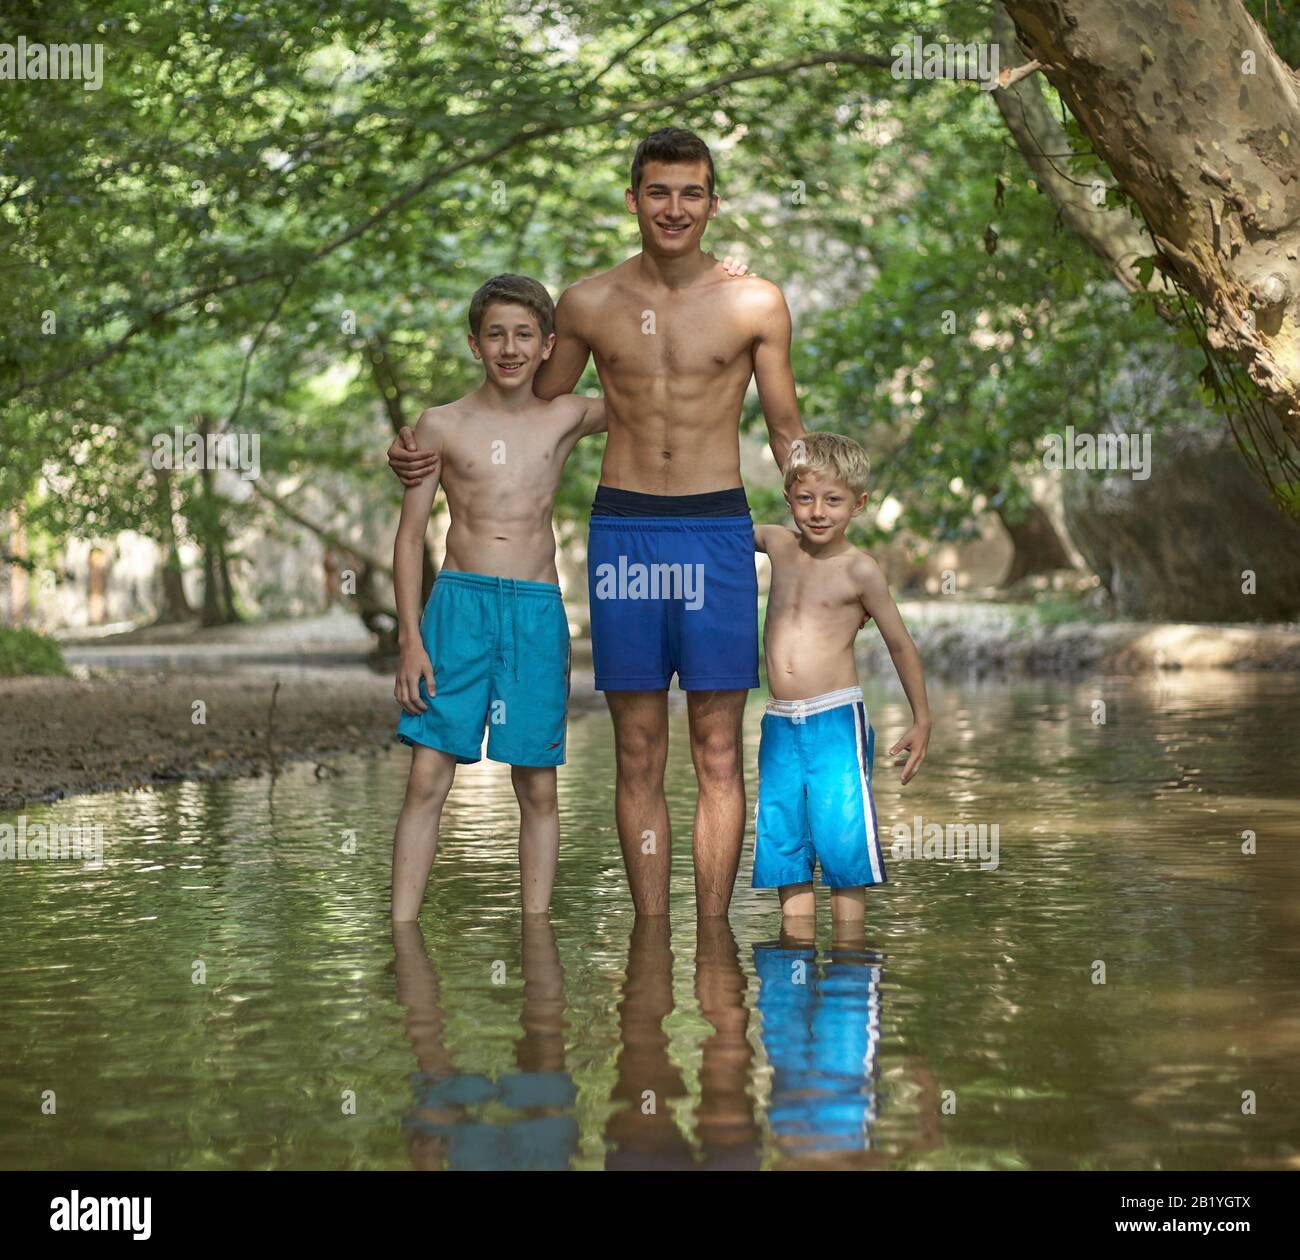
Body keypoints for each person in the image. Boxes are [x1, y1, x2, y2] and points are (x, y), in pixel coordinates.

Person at [390, 127, 804, 918]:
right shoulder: (585, 304)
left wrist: (822, 527)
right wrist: (417, 446)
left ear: (714, 203)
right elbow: (516, 399)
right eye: (658, 191)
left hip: (717, 527)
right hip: (625, 532)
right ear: (633, 200)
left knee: (719, 752)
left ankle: (711, 947)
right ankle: (652, 942)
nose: (674, 208)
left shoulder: (756, 302)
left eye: (691, 193)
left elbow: (787, 430)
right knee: (638, 750)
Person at [390, 273, 606, 921]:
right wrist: (410, 639)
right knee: (427, 777)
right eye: (495, 335)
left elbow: (650, 383)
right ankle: (402, 932)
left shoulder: (567, 415)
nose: (509, 348)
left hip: (537, 612)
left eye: (524, 335)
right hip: (457, 608)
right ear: (473, 345)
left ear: (548, 345)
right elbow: (408, 541)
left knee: (537, 786)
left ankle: (535, 937)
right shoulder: (440, 425)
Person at [753, 432, 931, 924]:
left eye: (833, 500)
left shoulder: (860, 571)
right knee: (784, 846)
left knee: (843, 848)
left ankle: (851, 971)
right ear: (789, 496)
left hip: (834, 721)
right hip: (779, 724)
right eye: (805, 497)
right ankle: (794, 963)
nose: (817, 511)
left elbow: (900, 644)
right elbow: (719, 527)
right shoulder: (777, 544)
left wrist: (922, 719)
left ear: (859, 504)